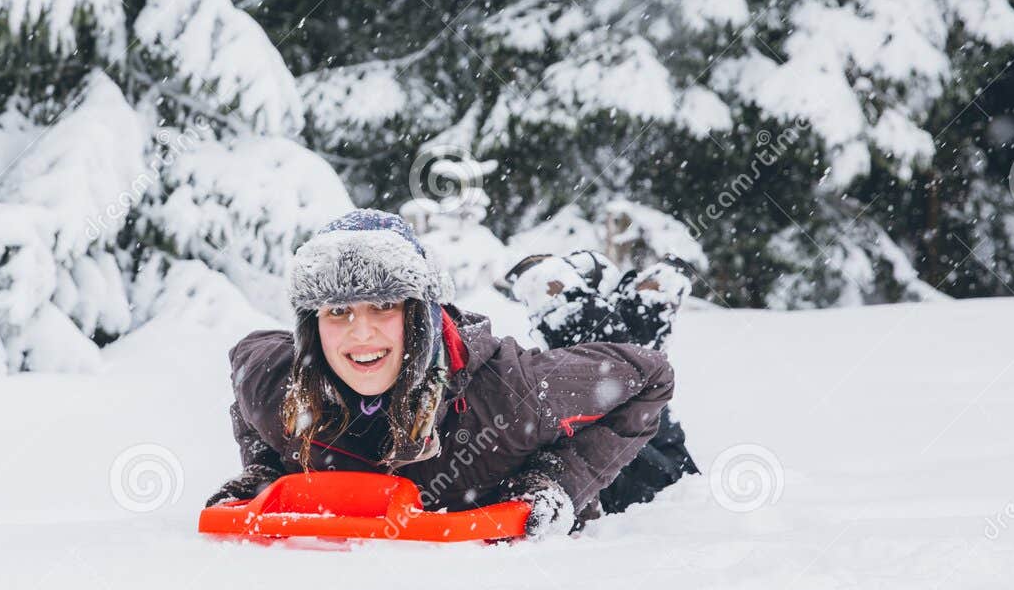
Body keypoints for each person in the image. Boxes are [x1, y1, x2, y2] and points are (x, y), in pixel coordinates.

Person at [204, 209, 678, 538]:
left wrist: (556, 481)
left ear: (420, 316)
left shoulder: (511, 392)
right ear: (312, 327)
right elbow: (248, 386)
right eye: (338, 312)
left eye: (384, 306)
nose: (361, 334)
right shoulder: (277, 384)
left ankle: (599, 321)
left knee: (663, 476)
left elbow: (650, 379)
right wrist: (263, 475)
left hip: (611, 476)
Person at [501, 250, 700, 522]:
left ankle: (584, 320)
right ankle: (621, 329)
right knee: (633, 393)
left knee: (612, 385)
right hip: (659, 476)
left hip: (635, 490)